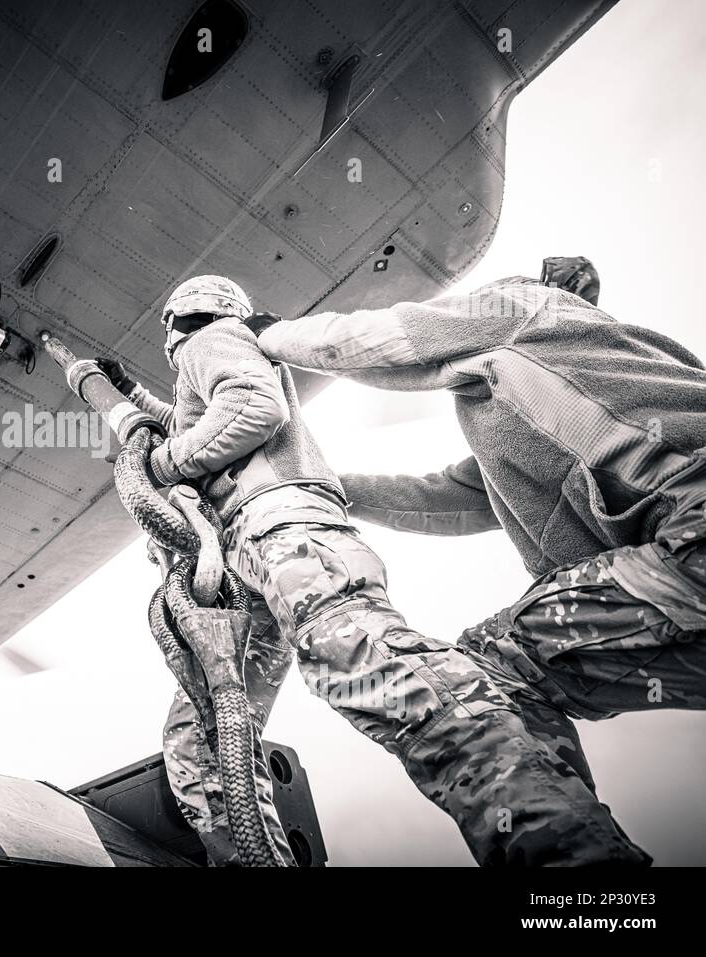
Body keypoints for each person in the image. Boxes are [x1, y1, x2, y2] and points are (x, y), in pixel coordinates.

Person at [99, 273, 646, 866]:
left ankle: (583, 875)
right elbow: (194, 417)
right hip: (256, 554)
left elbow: (258, 402)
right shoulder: (210, 364)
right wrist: (126, 395)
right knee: (210, 738)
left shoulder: (215, 341)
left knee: (380, 671)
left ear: (180, 321)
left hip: (281, 536)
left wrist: (169, 457)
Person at [252, 256, 706, 810]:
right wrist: (322, 487)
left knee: (486, 676)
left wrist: (265, 336)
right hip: (684, 576)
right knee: (518, 679)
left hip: (692, 531)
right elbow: (453, 499)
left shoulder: (523, 307)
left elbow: (369, 340)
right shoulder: (548, 405)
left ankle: (559, 849)